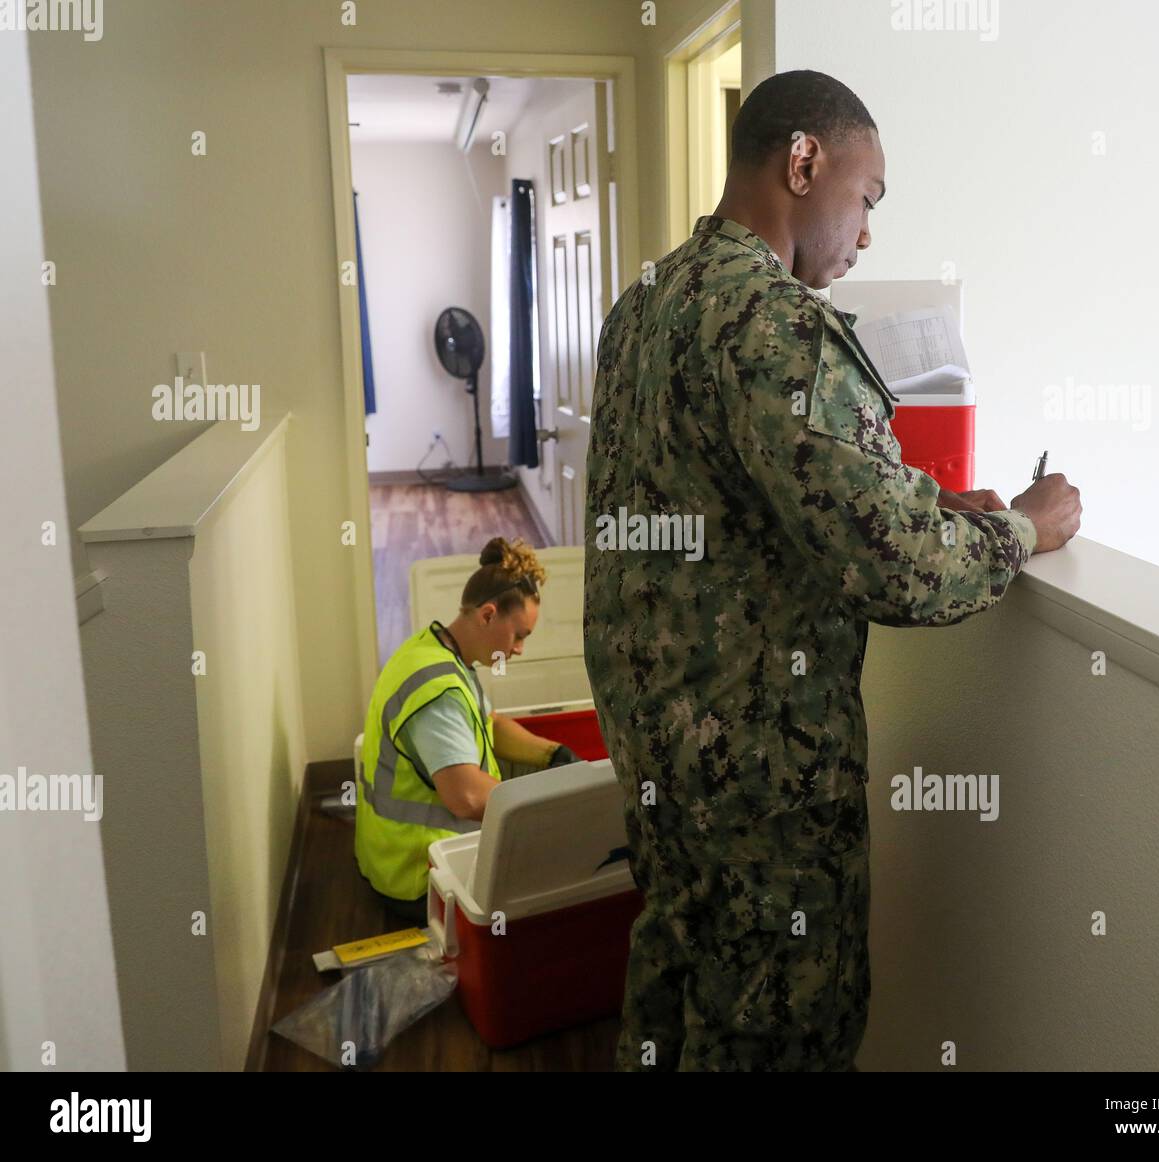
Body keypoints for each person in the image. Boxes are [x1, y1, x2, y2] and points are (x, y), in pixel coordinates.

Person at [583, 70, 1081, 1071]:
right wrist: (1023, 529)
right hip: (758, 777)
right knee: (779, 1031)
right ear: (802, 161)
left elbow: (737, 491)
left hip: (655, 749)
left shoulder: (645, 303)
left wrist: (921, 497)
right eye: (868, 195)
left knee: (674, 983)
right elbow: (894, 571)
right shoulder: (778, 324)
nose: (866, 231)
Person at [355, 536, 580, 923]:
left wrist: (554, 756)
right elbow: (468, 799)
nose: (520, 649)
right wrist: (553, 806)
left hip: (399, 860)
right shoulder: (437, 692)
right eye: (520, 634)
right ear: (489, 615)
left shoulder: (434, 651)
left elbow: (488, 725)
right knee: (568, 887)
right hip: (420, 880)